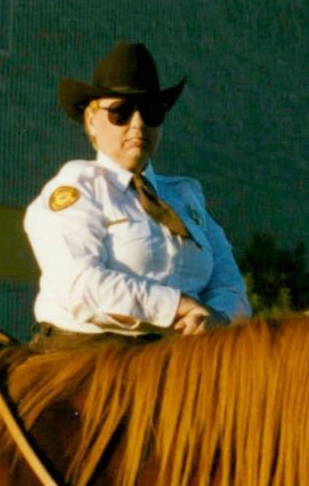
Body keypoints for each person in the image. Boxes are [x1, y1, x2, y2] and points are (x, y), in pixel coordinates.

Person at [24, 41, 250, 351]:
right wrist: (178, 306)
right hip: (89, 358)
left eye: (152, 111)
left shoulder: (186, 196)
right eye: (121, 112)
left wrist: (218, 320)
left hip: (186, 357)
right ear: (92, 121)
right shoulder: (78, 189)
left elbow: (231, 285)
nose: (138, 124)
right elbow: (79, 286)